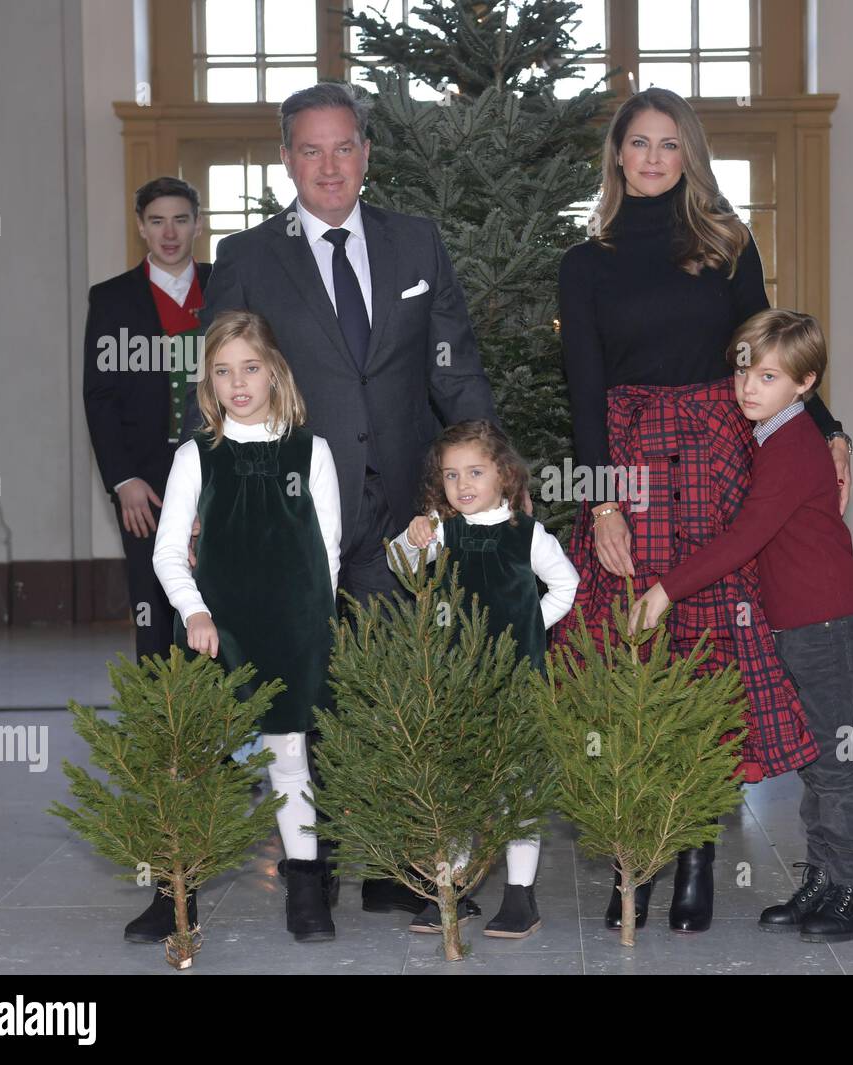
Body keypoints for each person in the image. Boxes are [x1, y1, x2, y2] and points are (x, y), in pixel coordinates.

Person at [190, 81, 500, 917]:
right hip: (290, 516)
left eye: (344, 147)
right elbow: (216, 390)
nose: (329, 166)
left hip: (401, 508)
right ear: (286, 158)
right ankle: (310, 866)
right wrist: (205, 508)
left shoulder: (417, 244)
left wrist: (491, 475)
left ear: (367, 152)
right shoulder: (249, 256)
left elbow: (454, 368)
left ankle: (395, 870)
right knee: (307, 683)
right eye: (310, 149)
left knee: (394, 681)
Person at [554, 87, 853, 933]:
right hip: (630, 465)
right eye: (638, 143)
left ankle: (697, 856)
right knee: (631, 656)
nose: (653, 157)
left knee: (712, 652)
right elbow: (582, 389)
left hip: (720, 456)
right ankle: (635, 849)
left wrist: (830, 430)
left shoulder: (726, 243)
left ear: (689, 155)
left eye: (669, 144)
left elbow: (767, 348)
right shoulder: (586, 263)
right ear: (617, 154)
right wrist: (602, 496)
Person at [634, 309, 853, 942]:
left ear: (806, 383)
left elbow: (745, 537)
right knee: (813, 762)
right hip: (801, 621)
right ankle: (823, 880)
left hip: (826, 621)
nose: (748, 386)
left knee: (830, 762)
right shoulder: (773, 434)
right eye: (745, 369)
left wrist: (666, 587)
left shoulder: (794, 444)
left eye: (768, 376)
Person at [149, 310, 342, 944]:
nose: (238, 383)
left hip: (292, 630)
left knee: (290, 758)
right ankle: (176, 894)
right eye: (223, 371)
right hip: (217, 631)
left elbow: (328, 552)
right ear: (208, 382)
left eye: (250, 368)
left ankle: (307, 889)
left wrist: (317, 627)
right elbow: (168, 551)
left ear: (274, 372)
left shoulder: (312, 452)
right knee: (205, 762)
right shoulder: (195, 456)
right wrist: (194, 611)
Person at [388, 421, 579, 938]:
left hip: (516, 680)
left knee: (518, 787)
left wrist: (532, 622)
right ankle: (455, 887)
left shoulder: (527, 534)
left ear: (505, 475)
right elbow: (403, 565)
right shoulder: (441, 529)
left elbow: (567, 583)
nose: (463, 484)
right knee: (457, 785)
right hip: (454, 682)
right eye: (451, 475)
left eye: (475, 472)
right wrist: (412, 535)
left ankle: (521, 896)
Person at [83, 176, 210, 663]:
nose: (170, 232)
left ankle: (225, 720)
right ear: (141, 227)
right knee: (153, 599)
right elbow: (99, 396)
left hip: (217, 468)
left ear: (197, 224)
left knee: (217, 588)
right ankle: (164, 725)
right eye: (157, 221)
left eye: (180, 219)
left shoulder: (224, 284)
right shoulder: (112, 298)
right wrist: (122, 479)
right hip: (145, 481)